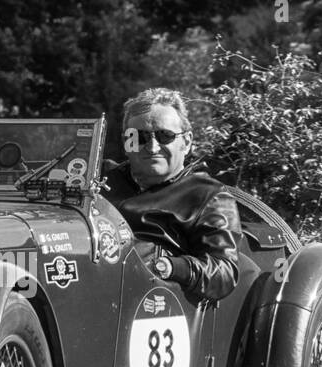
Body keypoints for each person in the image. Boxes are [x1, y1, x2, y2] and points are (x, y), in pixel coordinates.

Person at [102, 88, 241, 301]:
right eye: (139, 137)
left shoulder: (207, 195)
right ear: (126, 142)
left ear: (186, 142)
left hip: (148, 299)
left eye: (165, 136)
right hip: (92, 282)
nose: (152, 146)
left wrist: (171, 266)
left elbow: (224, 273)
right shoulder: (100, 180)